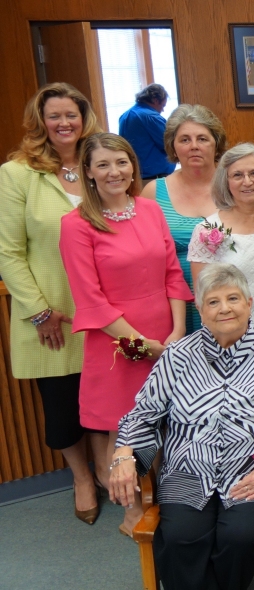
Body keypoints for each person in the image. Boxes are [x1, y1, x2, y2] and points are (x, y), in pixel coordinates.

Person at [108, 263, 254, 590]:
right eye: (213, 302)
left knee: (239, 537)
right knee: (179, 538)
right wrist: (123, 453)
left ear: (249, 302)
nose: (225, 308)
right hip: (189, 468)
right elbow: (144, 411)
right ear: (200, 312)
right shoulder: (177, 355)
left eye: (233, 298)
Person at [59, 133, 192, 535]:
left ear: (133, 165)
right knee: (128, 426)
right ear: (88, 173)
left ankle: (175, 499)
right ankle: (133, 507)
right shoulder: (76, 225)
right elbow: (90, 299)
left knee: (175, 420)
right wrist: (142, 344)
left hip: (167, 332)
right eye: (103, 165)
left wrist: (177, 333)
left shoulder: (150, 210)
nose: (114, 172)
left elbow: (173, 272)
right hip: (118, 342)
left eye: (121, 162)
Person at [0, 82, 102, 524]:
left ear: (85, 119)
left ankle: (106, 469)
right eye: (54, 116)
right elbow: (7, 251)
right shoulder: (18, 173)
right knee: (62, 409)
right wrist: (40, 311)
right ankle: (81, 478)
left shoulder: (98, 164)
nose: (64, 123)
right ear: (40, 121)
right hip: (53, 315)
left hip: (100, 311)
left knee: (103, 400)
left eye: (71, 115)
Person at [141, 104, 226, 334]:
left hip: (228, 301)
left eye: (202, 139)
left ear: (216, 143)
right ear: (173, 146)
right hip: (172, 305)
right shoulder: (153, 192)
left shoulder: (236, 185)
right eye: (185, 140)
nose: (194, 146)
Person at [188, 142, 254, 330]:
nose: (247, 182)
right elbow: (204, 297)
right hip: (227, 337)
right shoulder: (207, 229)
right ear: (226, 181)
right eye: (237, 175)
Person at [118, 84, 175, 182]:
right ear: (155, 100)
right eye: (162, 105)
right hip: (156, 179)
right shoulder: (151, 117)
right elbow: (170, 144)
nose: (162, 110)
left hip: (137, 177)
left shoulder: (125, 116)